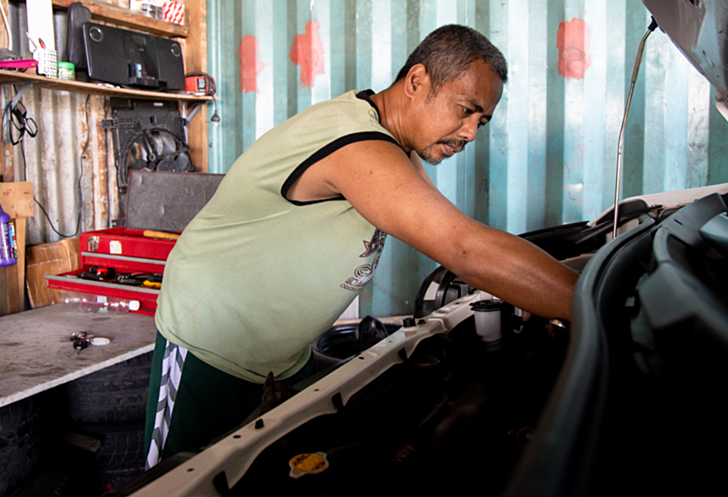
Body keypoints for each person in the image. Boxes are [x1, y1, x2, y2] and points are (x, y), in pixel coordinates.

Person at [144, 24, 578, 467]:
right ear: (416, 82)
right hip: (211, 347)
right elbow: (463, 250)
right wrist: (591, 303)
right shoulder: (353, 141)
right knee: (179, 480)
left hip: (282, 358)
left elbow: (452, 231)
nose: (470, 133)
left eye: (480, 121)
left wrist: (531, 288)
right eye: (465, 110)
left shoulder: (392, 143)